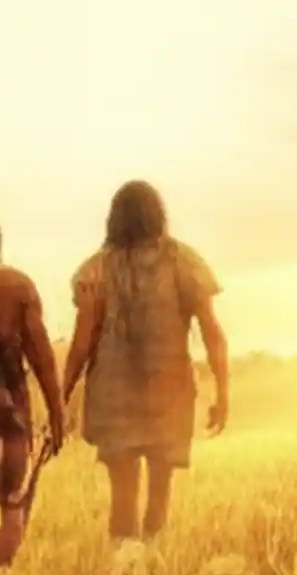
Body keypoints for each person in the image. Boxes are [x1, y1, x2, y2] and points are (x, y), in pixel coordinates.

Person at [63, 180, 229, 547]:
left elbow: (81, 344)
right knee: (159, 491)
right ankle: (150, 573)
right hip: (168, 391)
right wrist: (223, 393)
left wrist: (63, 396)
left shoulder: (96, 270)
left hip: (112, 393)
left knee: (122, 496)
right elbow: (213, 334)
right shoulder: (185, 262)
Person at [0, 209, 66, 575]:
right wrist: (59, 413)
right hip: (9, 423)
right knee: (14, 515)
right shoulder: (18, 286)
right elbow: (43, 360)